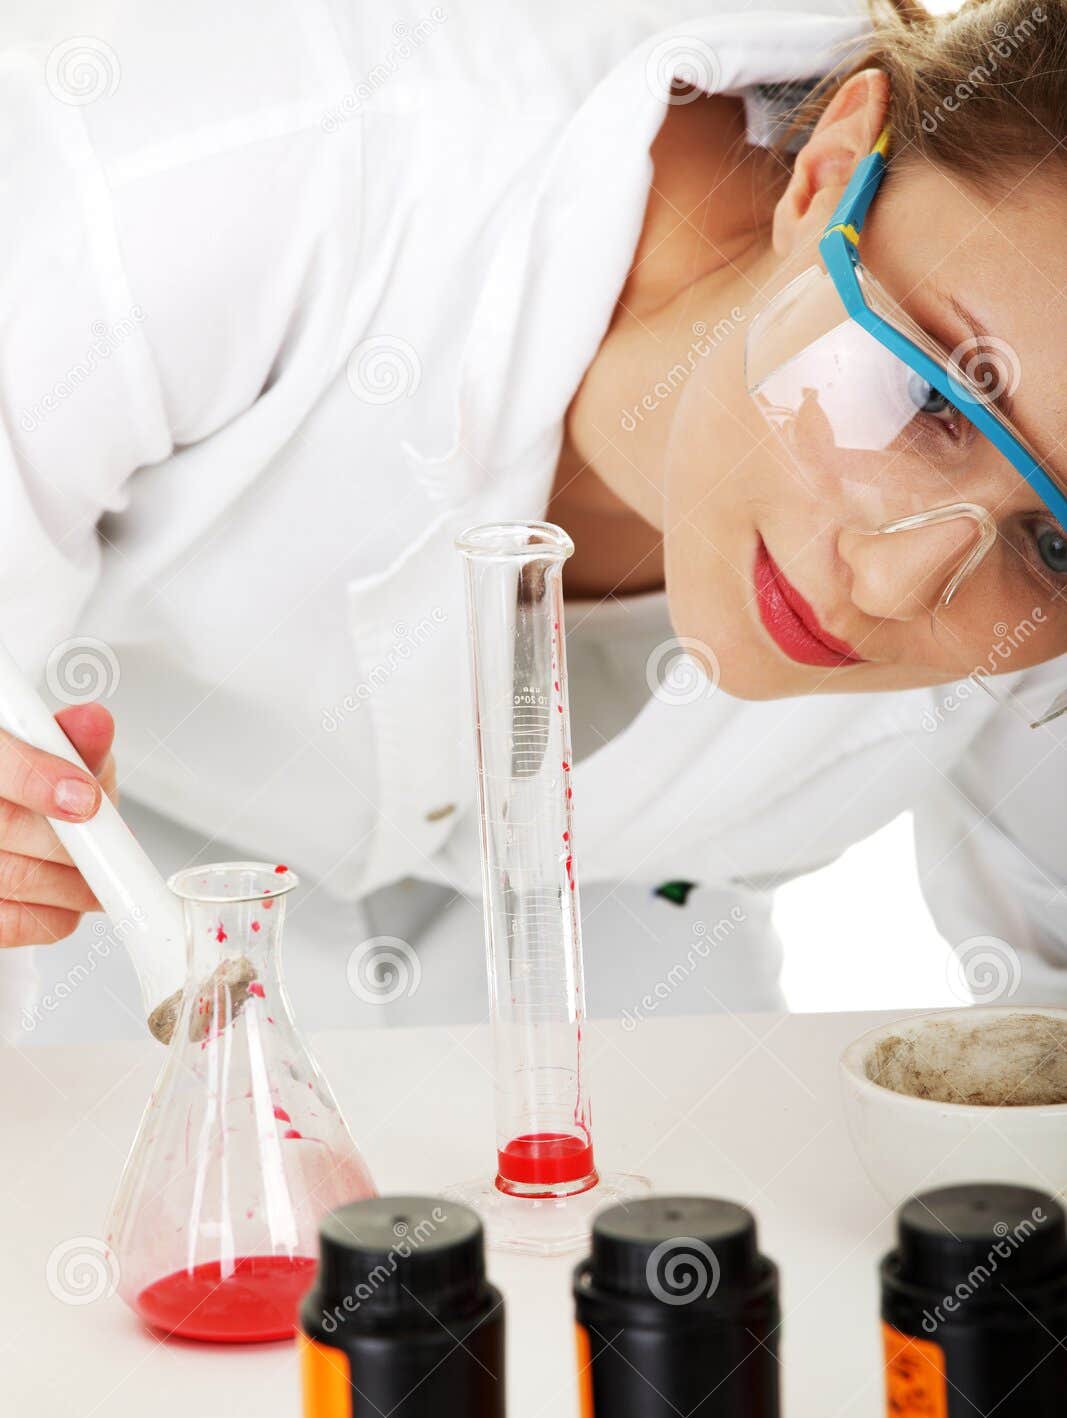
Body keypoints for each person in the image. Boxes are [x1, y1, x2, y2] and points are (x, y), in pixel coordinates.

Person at [2, 0, 1065, 1041]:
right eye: (929, 399)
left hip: (614, 1012)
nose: (888, 584)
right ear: (832, 172)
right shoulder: (256, 157)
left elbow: (1043, 1063)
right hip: (98, 904)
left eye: (1053, 546)